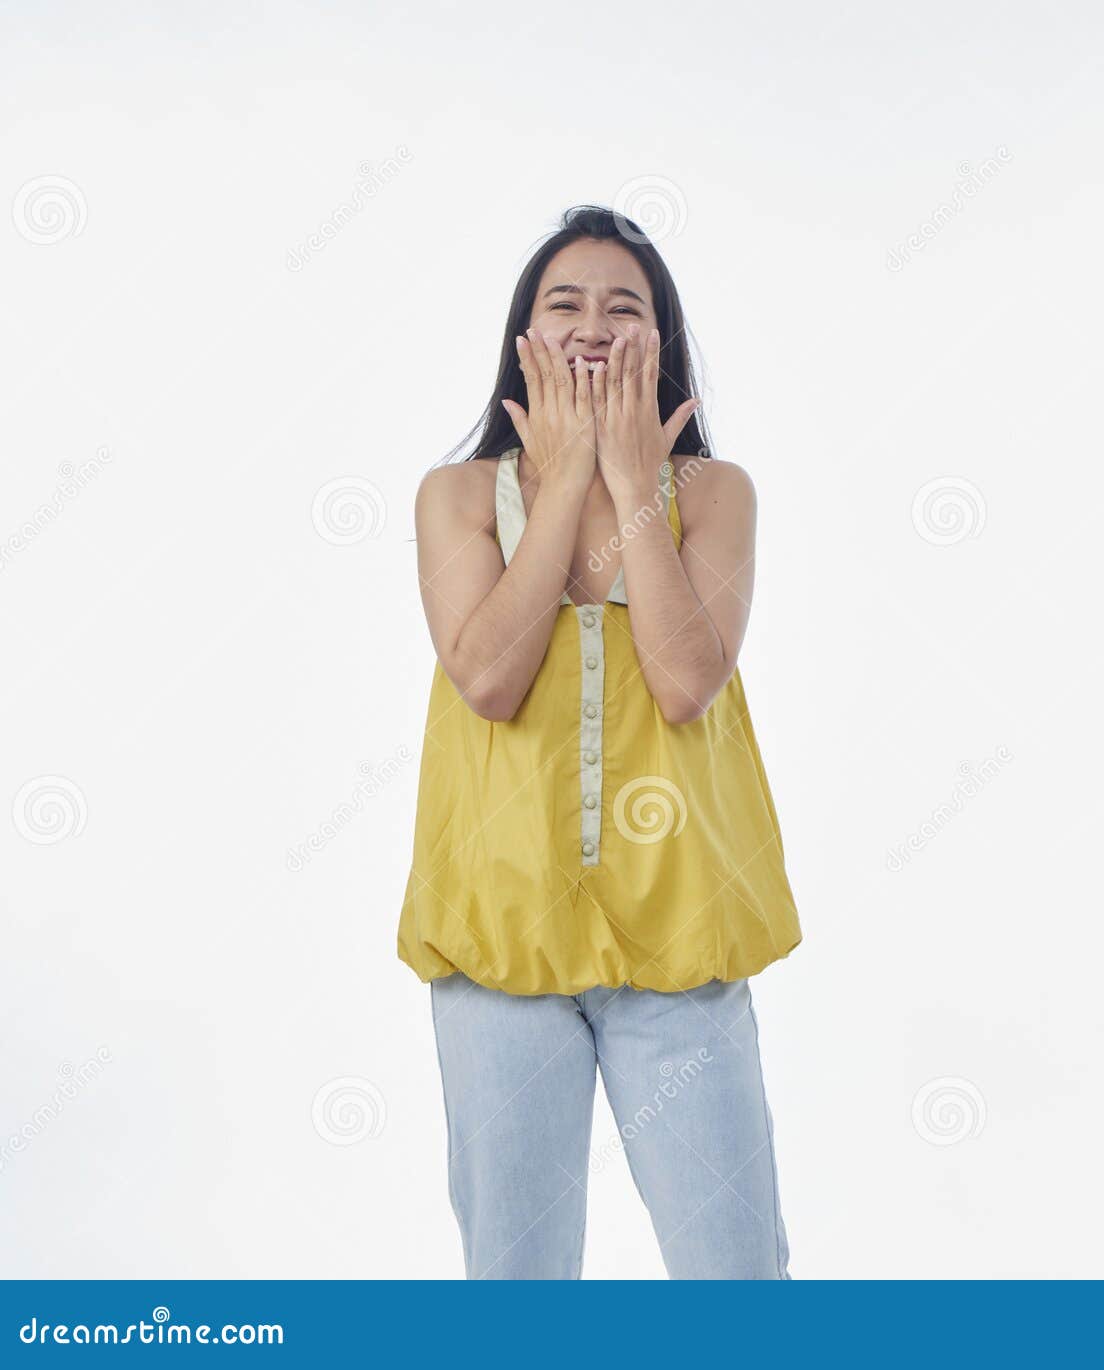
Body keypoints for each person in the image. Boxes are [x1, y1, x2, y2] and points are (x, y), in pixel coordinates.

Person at [395, 205, 803, 1279]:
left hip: (677, 941)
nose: (592, 325)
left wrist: (631, 486)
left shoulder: (712, 494)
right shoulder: (455, 498)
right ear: (521, 341)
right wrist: (564, 473)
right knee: (517, 1291)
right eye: (563, 303)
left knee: (738, 1276)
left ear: (658, 345)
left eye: (624, 308)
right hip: (500, 943)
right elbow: (485, 676)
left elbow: (682, 679)